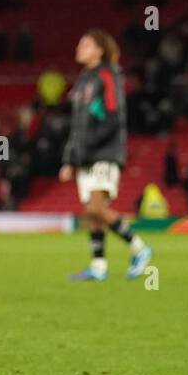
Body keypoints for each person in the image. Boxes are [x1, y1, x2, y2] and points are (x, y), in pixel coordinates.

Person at [61, 30, 152, 281]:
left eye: (86, 44)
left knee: (97, 207)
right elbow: (77, 124)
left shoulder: (107, 74)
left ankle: (140, 248)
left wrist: (87, 148)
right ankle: (99, 267)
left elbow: (114, 116)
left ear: (99, 50)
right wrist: (71, 157)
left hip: (105, 151)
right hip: (86, 154)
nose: (80, 47)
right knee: (91, 211)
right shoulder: (83, 80)